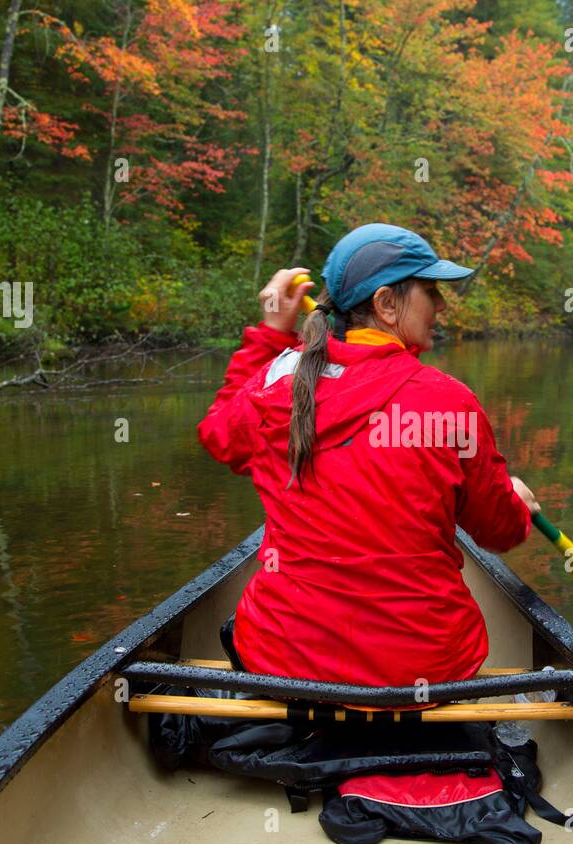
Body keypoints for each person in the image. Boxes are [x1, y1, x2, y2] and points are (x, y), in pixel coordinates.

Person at [198, 222, 540, 688]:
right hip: (425, 672)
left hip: (285, 664)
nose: (441, 305)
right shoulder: (448, 402)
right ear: (385, 304)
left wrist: (270, 331)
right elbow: (497, 530)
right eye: (430, 290)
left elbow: (220, 436)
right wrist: (517, 504)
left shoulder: (276, 383)